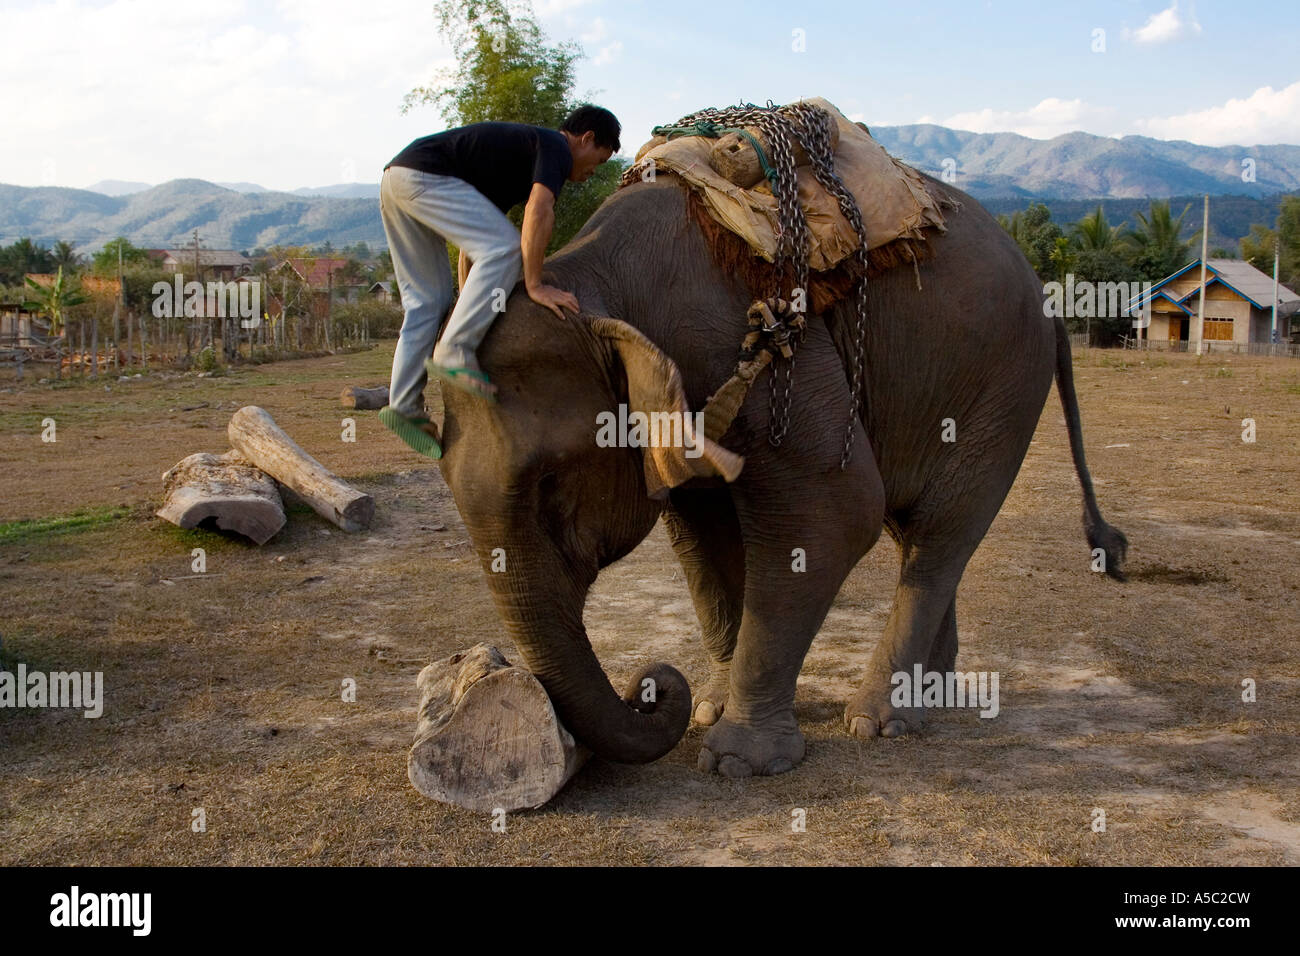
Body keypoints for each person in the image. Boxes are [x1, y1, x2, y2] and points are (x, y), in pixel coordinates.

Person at [376, 105, 621, 459]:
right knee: (507, 248)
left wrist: (466, 301)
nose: (590, 172)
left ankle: (404, 406)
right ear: (586, 139)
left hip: (396, 179)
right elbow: (539, 211)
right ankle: (455, 350)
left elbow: (472, 249)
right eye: (597, 161)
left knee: (427, 301)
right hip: (424, 176)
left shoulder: (514, 163)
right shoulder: (554, 146)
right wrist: (535, 286)